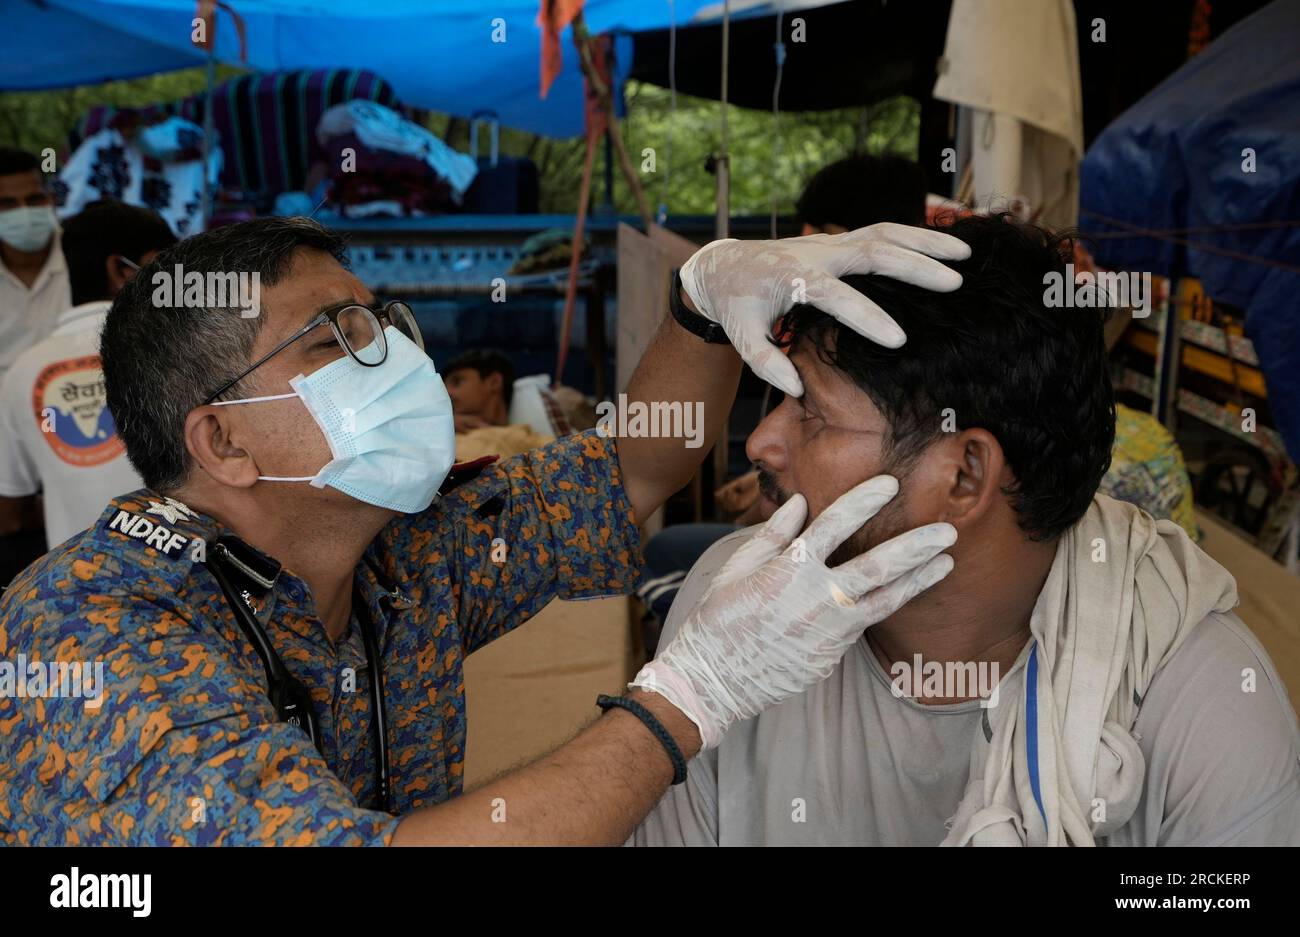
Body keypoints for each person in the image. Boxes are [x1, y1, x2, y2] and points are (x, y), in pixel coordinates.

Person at [0, 214, 972, 845]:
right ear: (222, 440)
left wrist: (704, 302)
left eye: (380, 321)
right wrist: (693, 692)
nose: (395, 355)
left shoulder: (402, 560)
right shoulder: (86, 636)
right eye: (338, 338)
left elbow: (633, 466)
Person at [633, 214, 1300, 846]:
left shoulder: (1201, 703)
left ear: (965, 474)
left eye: (811, 413)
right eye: (776, 397)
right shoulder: (729, 619)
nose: (761, 442)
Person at [640, 153, 930, 630]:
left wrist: (761, 509)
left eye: (811, 408)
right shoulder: (849, 325)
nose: (757, 443)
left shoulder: (857, 337)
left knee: (673, 553)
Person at [0, 201, 177, 559]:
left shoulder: (24, 371)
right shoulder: (177, 351)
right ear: (122, 272)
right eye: (165, 267)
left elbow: (11, 516)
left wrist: (78, 500)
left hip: (81, 592)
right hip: (187, 579)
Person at [0, 148, 70, 389]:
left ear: (50, 199)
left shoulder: (83, 257)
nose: (24, 212)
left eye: (33, 200)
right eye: (7, 204)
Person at [442, 348, 515, 432]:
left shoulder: (526, 439)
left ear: (494, 382)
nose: (447, 393)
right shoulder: (441, 431)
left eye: (457, 382)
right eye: (444, 387)